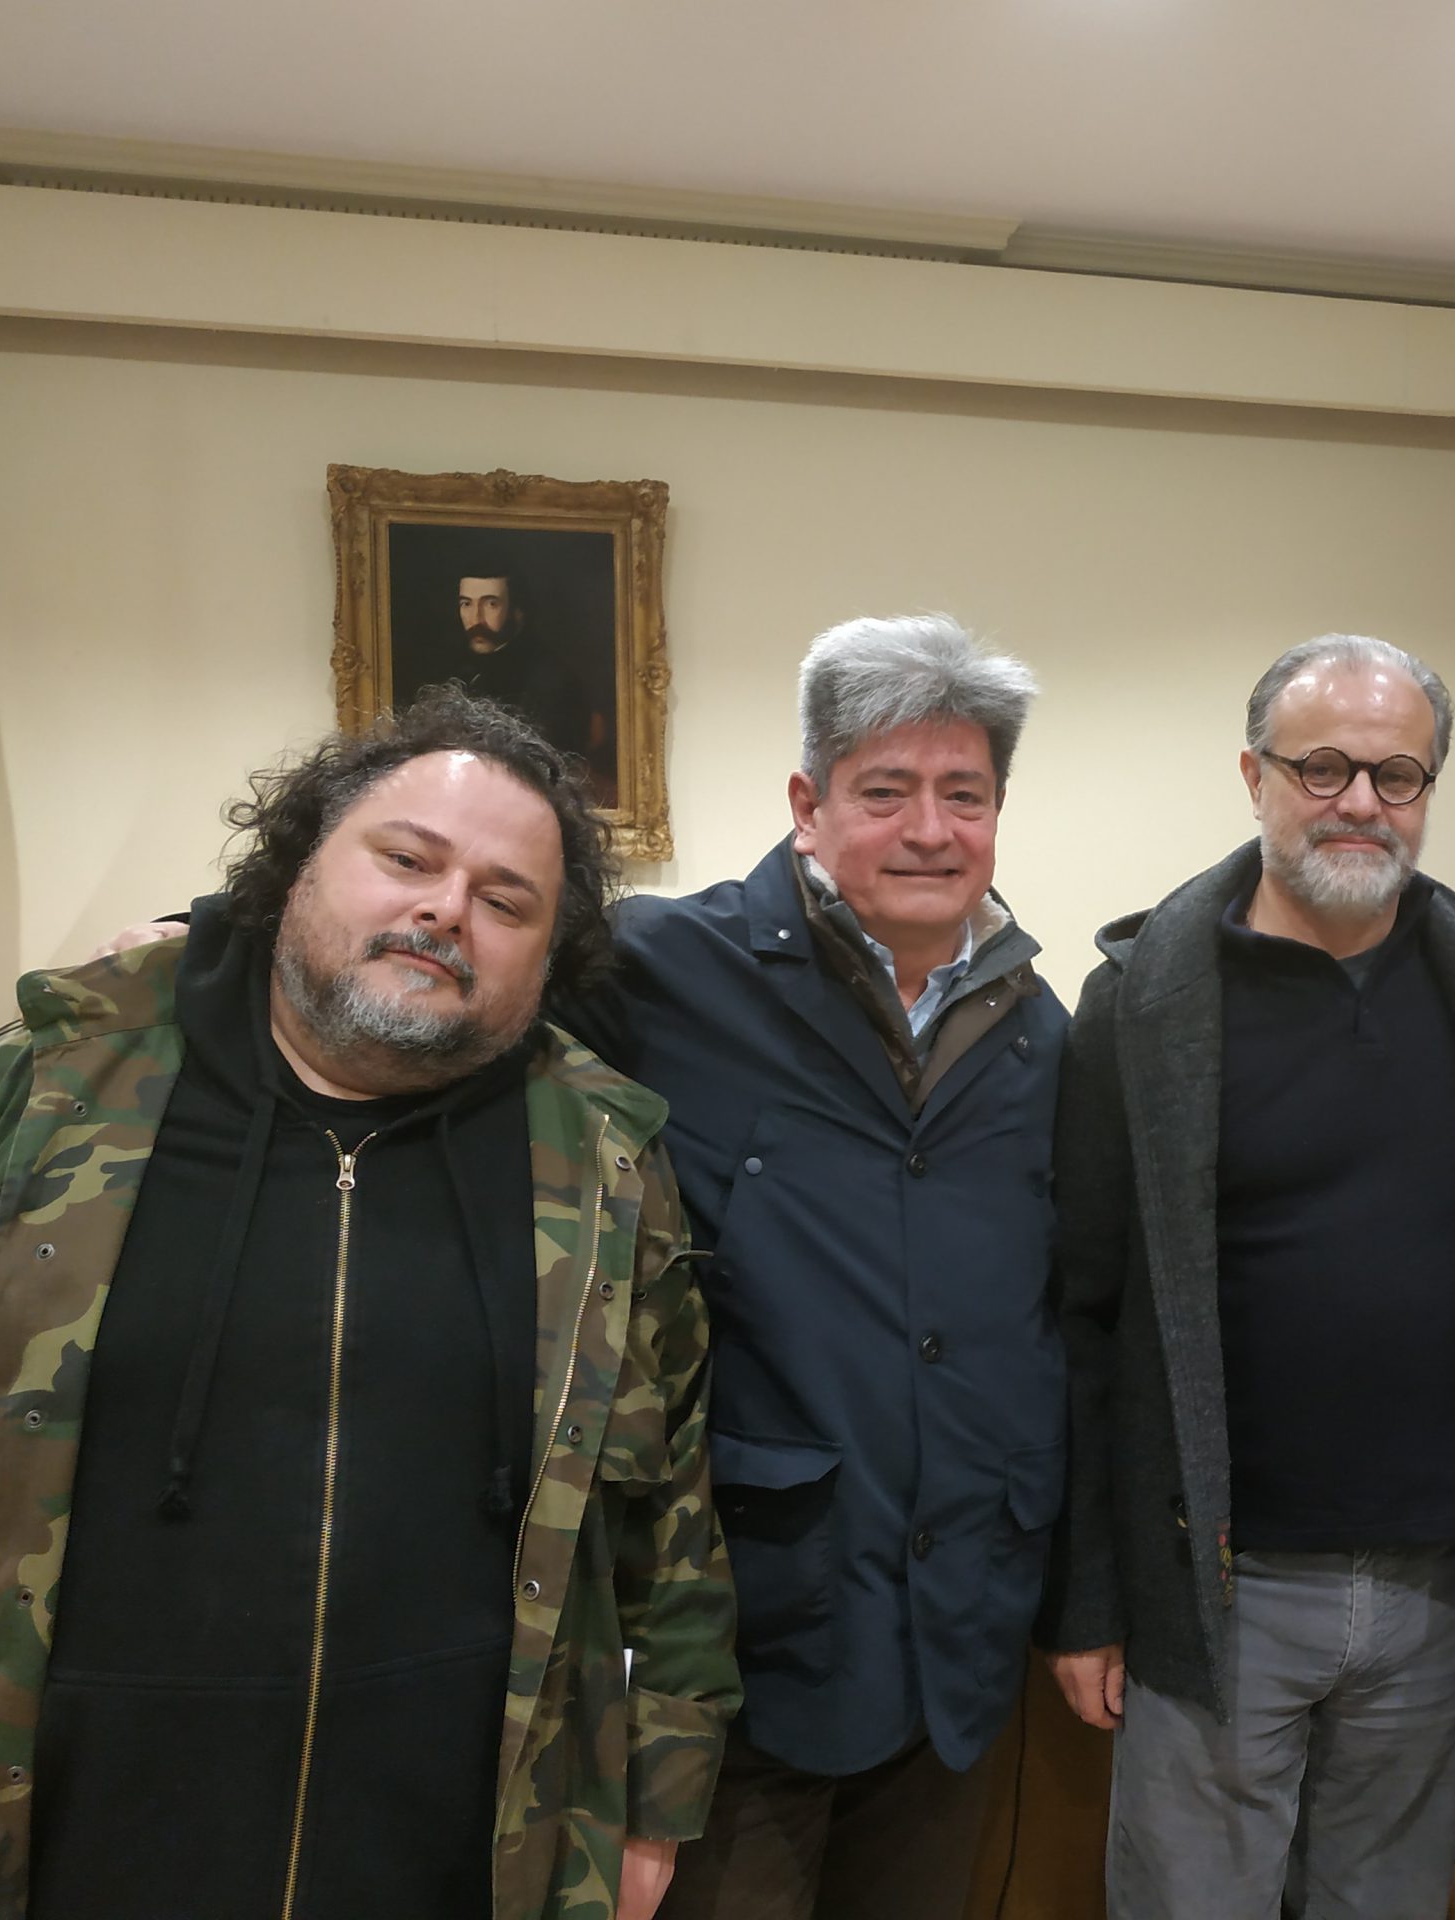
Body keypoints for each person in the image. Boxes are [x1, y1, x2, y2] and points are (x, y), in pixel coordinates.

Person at [0, 687, 739, 1920]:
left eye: (506, 899)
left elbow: (671, 1521)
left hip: (457, 1861)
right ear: (298, 861)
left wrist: (657, 1811)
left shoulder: (606, 1170)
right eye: (406, 858)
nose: (444, 908)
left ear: (546, 957)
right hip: (52, 1853)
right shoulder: (22, 1110)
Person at [557, 613, 1068, 1919]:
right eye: (884, 791)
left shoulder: (1039, 1036)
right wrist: (217, 932)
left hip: (957, 1642)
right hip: (747, 1650)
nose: (929, 830)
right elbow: (456, 960)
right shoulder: (669, 969)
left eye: (965, 794)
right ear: (809, 803)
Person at [1041, 633, 1455, 1917]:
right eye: (1321, 766)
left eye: (1398, 774)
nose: (1361, 802)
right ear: (1252, 776)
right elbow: (1083, 1318)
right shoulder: (1141, 1008)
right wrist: (1091, 1596)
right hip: (1220, 1587)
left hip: (1433, 1588)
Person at [429, 566, 608, 795]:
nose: (476, 619)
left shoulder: (552, 681)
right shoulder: (453, 670)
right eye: (467, 604)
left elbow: (552, 774)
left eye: (491, 603)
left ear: (518, 612)